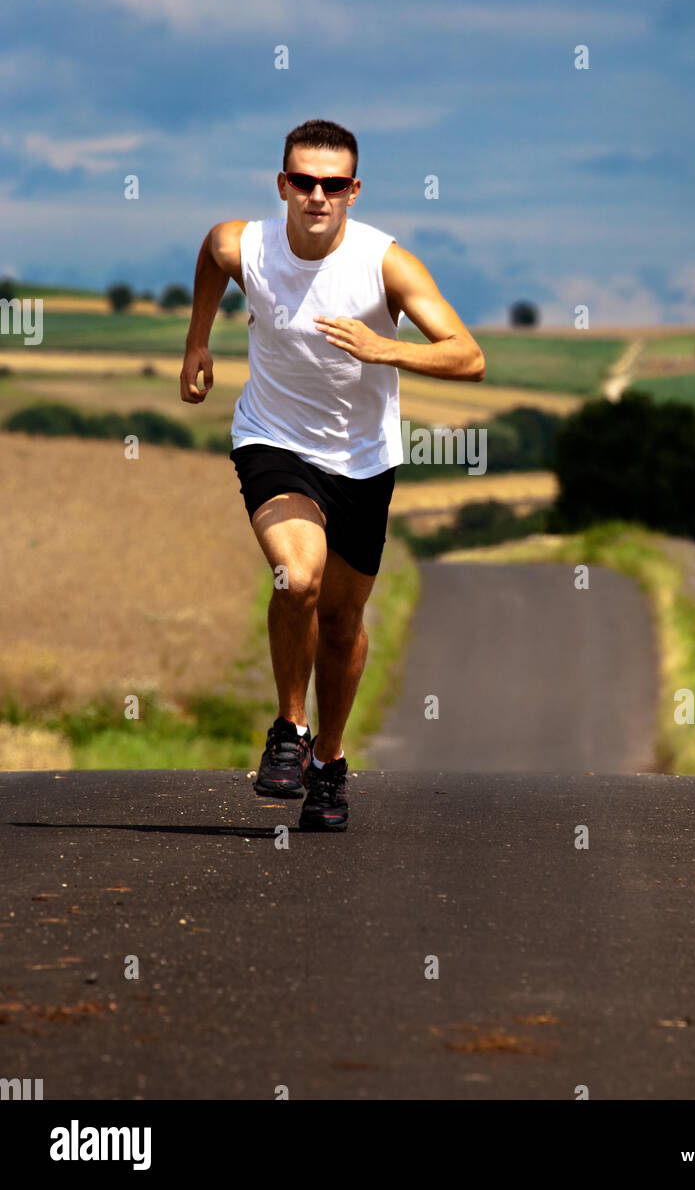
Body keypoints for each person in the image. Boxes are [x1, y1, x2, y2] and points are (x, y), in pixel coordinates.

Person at [180, 119, 484, 830]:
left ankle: (330, 764)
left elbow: (468, 356)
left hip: (363, 462)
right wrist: (198, 341)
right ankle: (289, 731)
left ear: (353, 189)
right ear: (282, 184)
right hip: (272, 441)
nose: (318, 196)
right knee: (300, 576)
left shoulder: (386, 264)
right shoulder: (244, 244)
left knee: (343, 621)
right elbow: (211, 257)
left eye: (333, 184)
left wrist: (387, 349)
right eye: (304, 182)